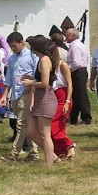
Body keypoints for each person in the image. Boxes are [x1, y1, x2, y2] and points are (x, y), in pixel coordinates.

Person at [25, 36, 60, 168]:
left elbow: (45, 83)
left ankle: (49, 163)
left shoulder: (44, 60)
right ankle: (53, 156)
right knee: (31, 131)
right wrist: (32, 79)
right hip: (40, 98)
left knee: (45, 134)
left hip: (46, 98)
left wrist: (31, 82)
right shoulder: (42, 60)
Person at [65, 26, 92, 125]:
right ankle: (73, 117)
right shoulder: (78, 45)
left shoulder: (75, 46)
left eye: (68, 35)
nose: (66, 37)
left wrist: (68, 69)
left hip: (78, 71)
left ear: (73, 36)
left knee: (81, 95)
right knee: (75, 95)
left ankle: (86, 117)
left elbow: (76, 62)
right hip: (80, 71)